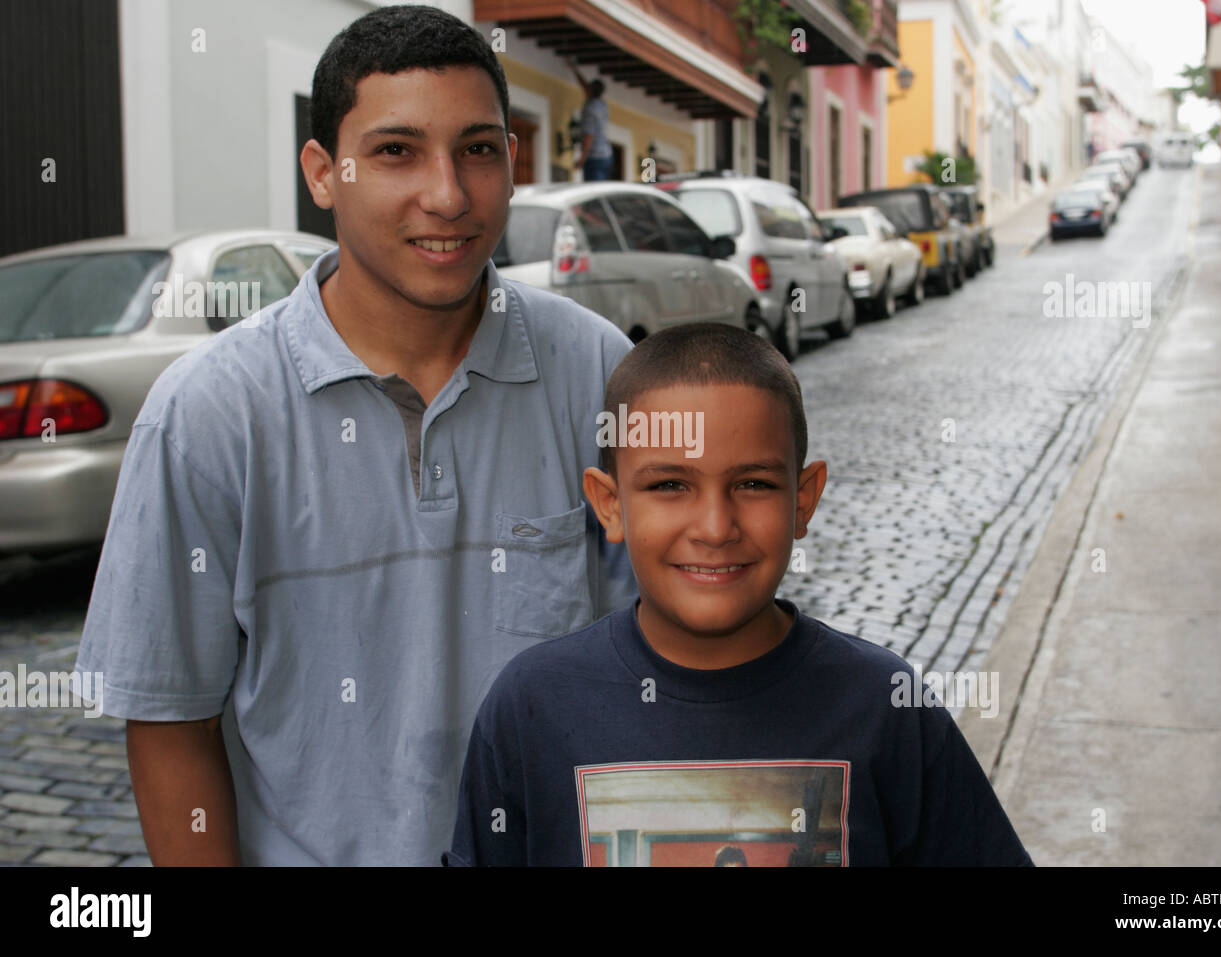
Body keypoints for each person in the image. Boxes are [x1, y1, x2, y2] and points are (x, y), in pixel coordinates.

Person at [74, 4, 636, 865]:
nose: (447, 194)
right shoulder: (207, 415)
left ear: (512, 164)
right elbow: (169, 722)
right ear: (323, 172)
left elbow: (672, 653)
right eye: (395, 151)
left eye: (478, 149)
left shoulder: (597, 370)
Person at [447, 323, 1034, 866]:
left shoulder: (885, 707)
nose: (714, 526)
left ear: (802, 500)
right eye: (670, 485)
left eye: (753, 484)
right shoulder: (533, 705)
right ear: (609, 505)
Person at [566, 56, 613, 181]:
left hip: (595, 158)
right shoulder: (602, 105)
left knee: (593, 192)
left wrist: (582, 159)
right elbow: (585, 85)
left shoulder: (590, 110)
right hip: (606, 156)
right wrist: (575, 70)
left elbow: (588, 135)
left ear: (590, 91)